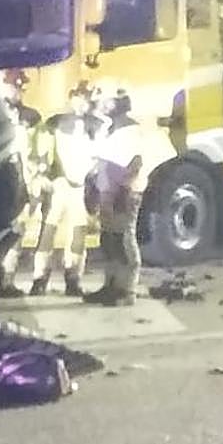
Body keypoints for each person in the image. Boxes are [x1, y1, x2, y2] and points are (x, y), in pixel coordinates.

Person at [29, 85, 103, 297]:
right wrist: (41, 173)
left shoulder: (96, 126)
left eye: (86, 99)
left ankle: (73, 278)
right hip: (58, 184)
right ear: (71, 99)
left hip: (81, 186)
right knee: (48, 231)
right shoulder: (55, 123)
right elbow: (43, 150)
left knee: (78, 233)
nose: (81, 103)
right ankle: (39, 278)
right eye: (78, 98)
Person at [85, 89, 145, 307]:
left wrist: (123, 190)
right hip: (107, 192)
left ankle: (127, 289)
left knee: (124, 240)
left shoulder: (131, 130)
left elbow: (135, 163)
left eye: (107, 101)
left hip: (123, 193)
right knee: (109, 240)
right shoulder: (110, 129)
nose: (102, 104)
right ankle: (110, 286)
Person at [0, 94, 53, 298]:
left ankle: (6, 281)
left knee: (15, 235)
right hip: (17, 189)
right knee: (14, 236)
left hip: (16, 188)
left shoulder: (10, 129)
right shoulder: (16, 132)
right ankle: (5, 283)